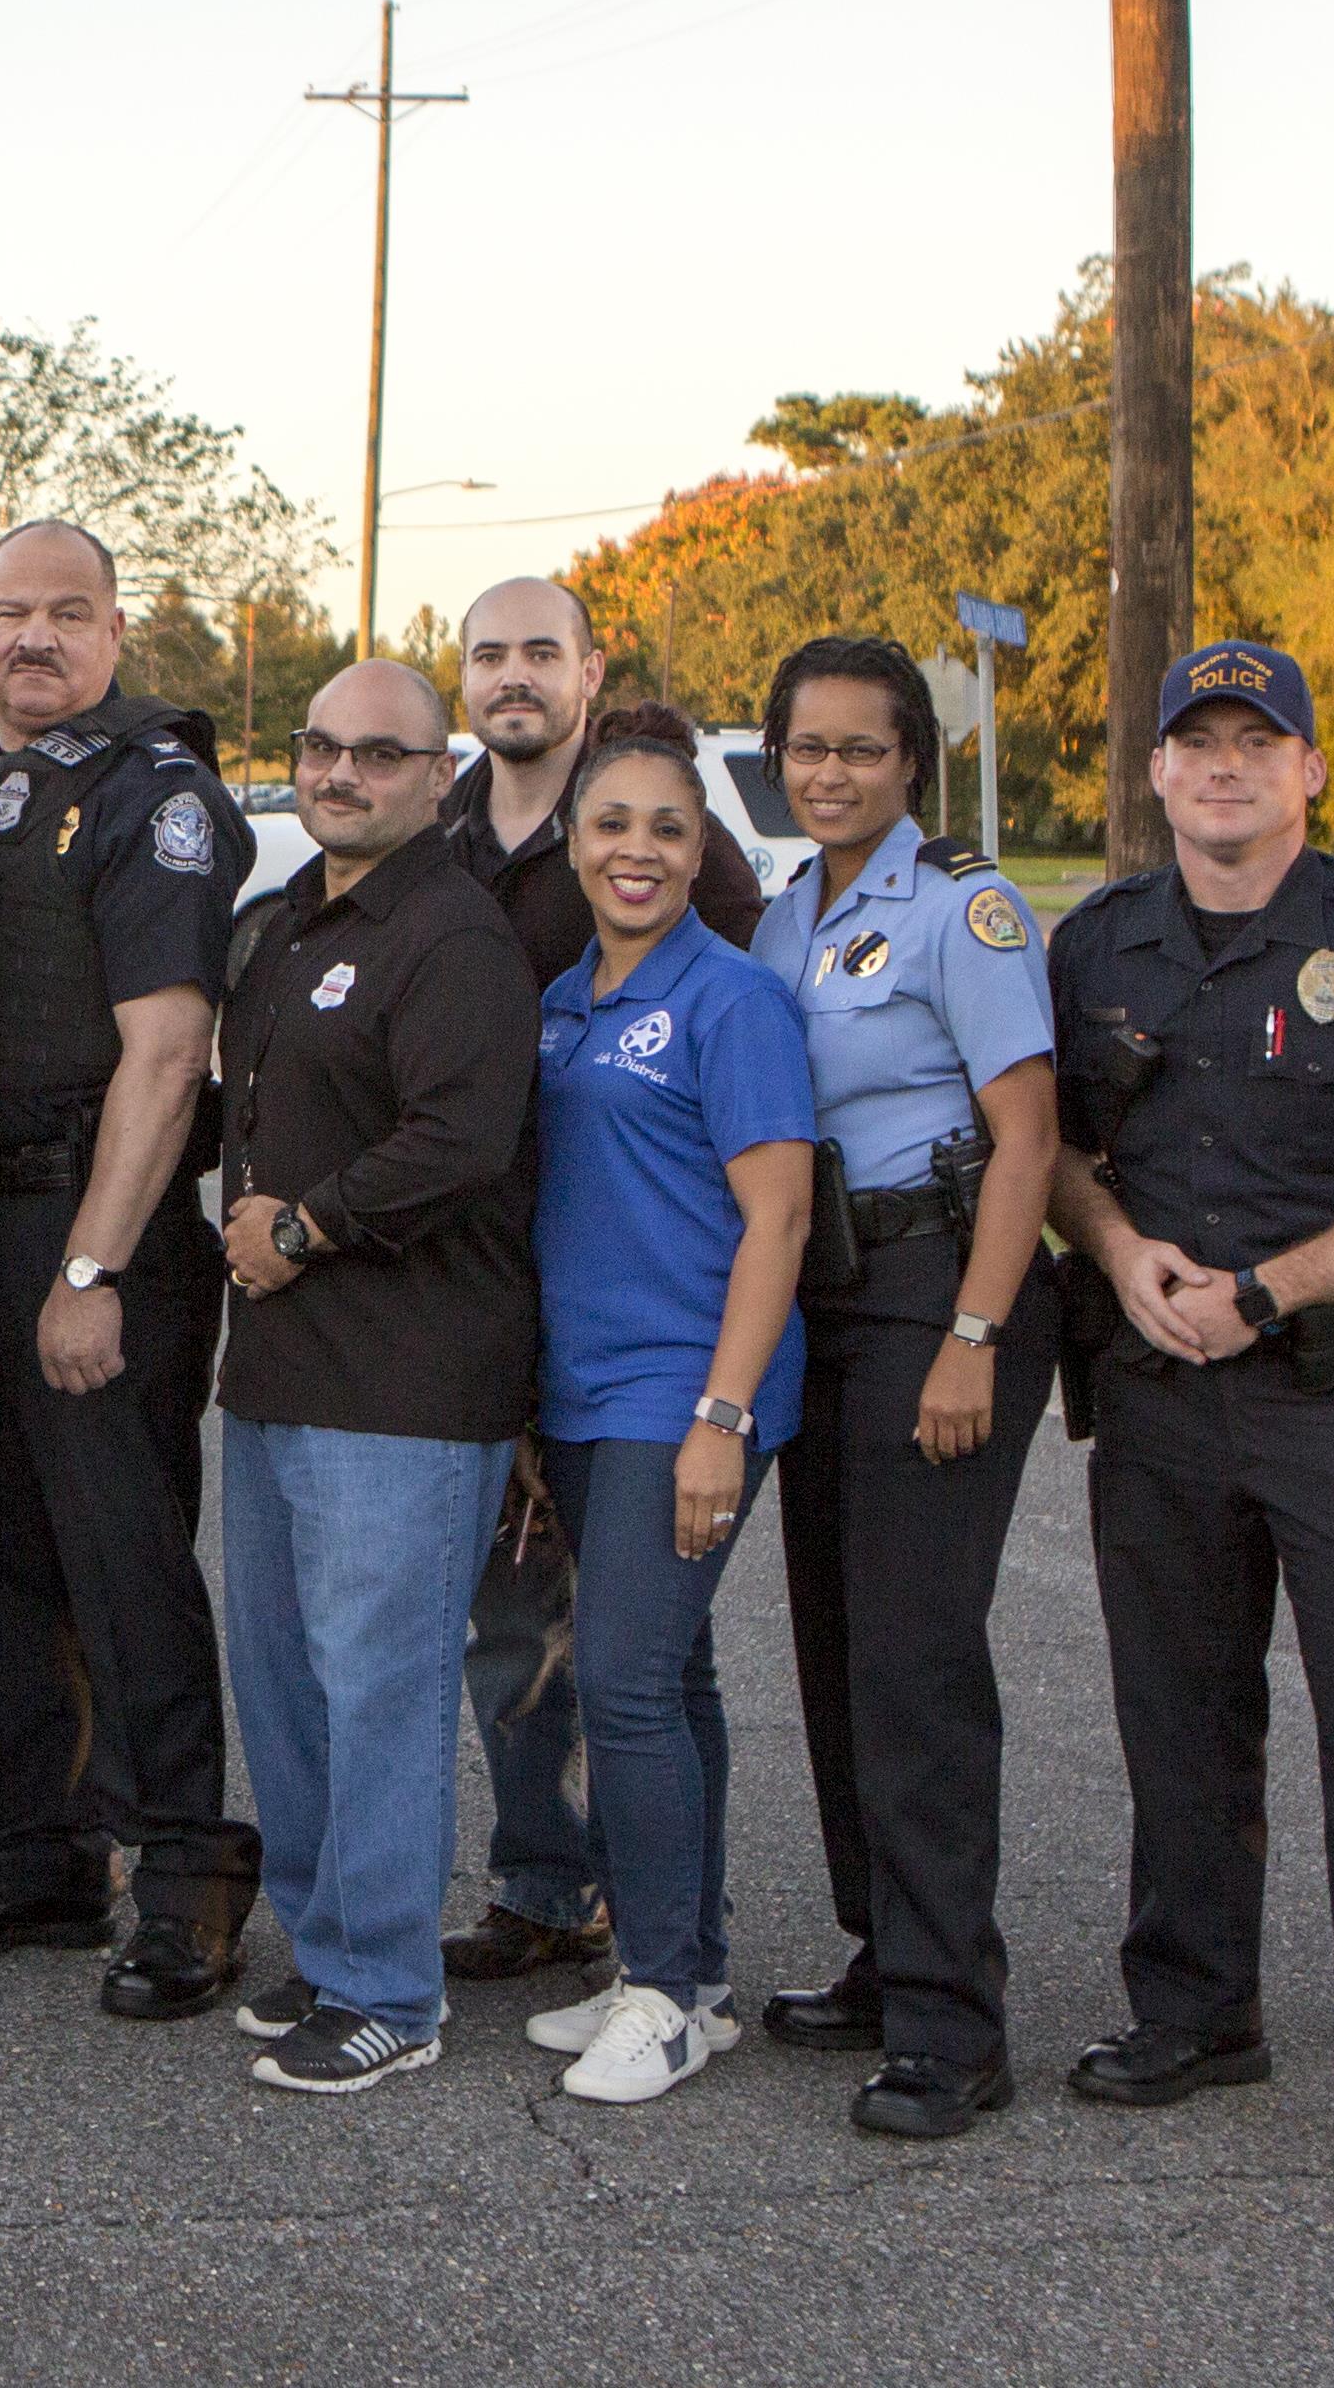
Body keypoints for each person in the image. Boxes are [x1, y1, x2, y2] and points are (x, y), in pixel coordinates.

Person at [1043, 640, 1334, 2210]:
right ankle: (1194, 2009)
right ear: (1157, 772)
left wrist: (1273, 1288)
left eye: (1259, 741)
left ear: (1310, 769)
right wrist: (1119, 1251)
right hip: (1162, 1393)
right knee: (1178, 1718)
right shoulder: (1096, 942)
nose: (1225, 766)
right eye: (1198, 741)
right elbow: (1044, 1143)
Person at [0, 523, 262, 2018]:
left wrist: (92, 1266)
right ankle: (40, 1847)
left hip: (89, 1221)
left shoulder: (153, 793)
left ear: (114, 629)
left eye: (64, 613)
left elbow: (166, 1057)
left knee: (122, 1560)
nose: (31, 638)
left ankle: (182, 1869)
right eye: (8, 612)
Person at [207, 661, 547, 2095]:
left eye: (379, 752)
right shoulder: (292, 917)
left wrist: (304, 1225)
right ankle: (327, 1941)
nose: (340, 771)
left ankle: (388, 1989)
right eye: (321, 745)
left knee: (377, 1688)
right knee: (284, 1680)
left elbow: (462, 1136)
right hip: (277, 1371)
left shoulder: (451, 935)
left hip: (402, 1381)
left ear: (436, 775)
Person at [745, 636, 1064, 2137]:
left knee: (914, 1657)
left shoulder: (961, 908)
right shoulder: (782, 913)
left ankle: (952, 2021)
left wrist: (974, 1335)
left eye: (859, 749)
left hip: (939, 1284)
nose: (829, 773)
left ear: (911, 763)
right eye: (805, 748)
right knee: (832, 1641)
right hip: (826, 1292)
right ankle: (884, 1947)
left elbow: (1027, 1136)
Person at [432, 575, 767, 1992]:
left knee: (638, 1658)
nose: (512, 674)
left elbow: (744, 1110)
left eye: (540, 651)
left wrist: (723, 1397)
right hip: (496, 1291)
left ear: (588, 668)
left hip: (657, 1319)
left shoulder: (680, 851)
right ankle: (547, 1883)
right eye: (487, 653)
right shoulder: (439, 830)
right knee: (511, 1617)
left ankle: (668, 1946)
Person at [496, 705, 820, 2106]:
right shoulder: (562, 1000)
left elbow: (778, 1216)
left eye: (668, 828)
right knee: (669, 1678)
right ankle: (688, 1971)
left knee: (623, 1679)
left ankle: (662, 1990)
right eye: (612, 822)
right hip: (580, 1392)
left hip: (682, 1387)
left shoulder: (730, 1000)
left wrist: (721, 1415)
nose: (637, 849)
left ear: (702, 853)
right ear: (570, 840)